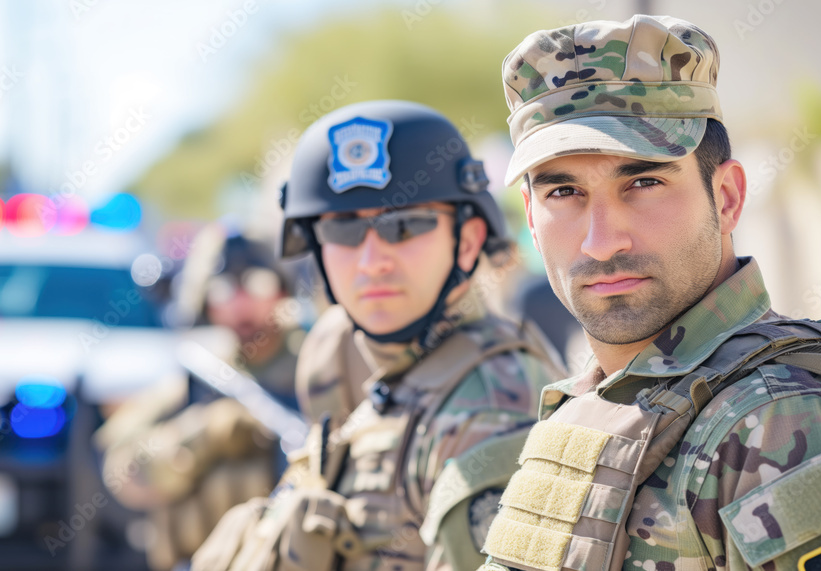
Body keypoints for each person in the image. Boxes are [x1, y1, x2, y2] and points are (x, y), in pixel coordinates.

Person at [479, 15, 821, 571]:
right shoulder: (589, 403)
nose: (602, 242)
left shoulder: (783, 420)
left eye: (644, 182)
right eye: (564, 191)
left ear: (725, 197)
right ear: (532, 221)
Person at [192, 100, 564, 571]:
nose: (371, 261)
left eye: (404, 225)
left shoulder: (492, 399)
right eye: (344, 231)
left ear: (467, 241)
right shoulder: (339, 358)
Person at [94, 225, 305, 571]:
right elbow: (122, 469)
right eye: (223, 291)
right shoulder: (203, 373)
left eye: (256, 285)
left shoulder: (319, 367)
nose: (240, 304)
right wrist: (204, 435)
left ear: (281, 289)